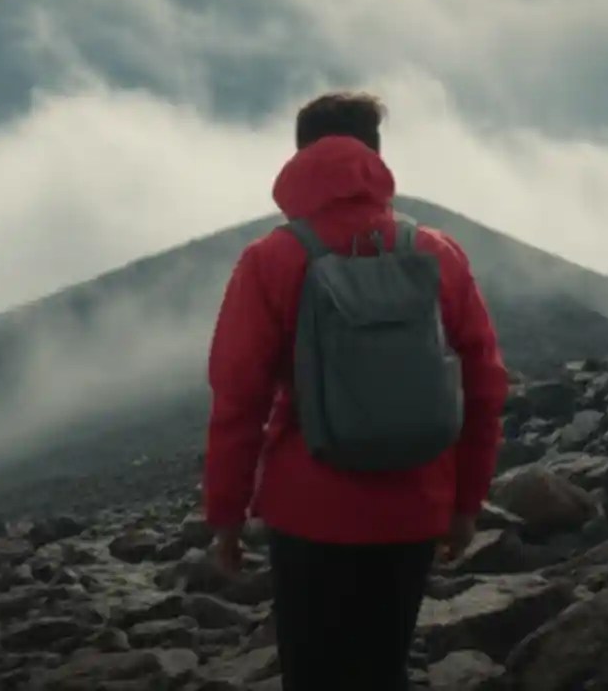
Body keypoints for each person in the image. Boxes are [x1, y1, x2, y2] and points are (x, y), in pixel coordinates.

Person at [203, 91, 509, 690]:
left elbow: (238, 399)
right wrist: (466, 502)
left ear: (298, 158)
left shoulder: (270, 260)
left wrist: (227, 517)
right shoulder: (436, 252)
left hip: (308, 508)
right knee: (381, 667)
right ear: (375, 156)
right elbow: (484, 384)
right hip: (414, 504)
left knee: (314, 673)